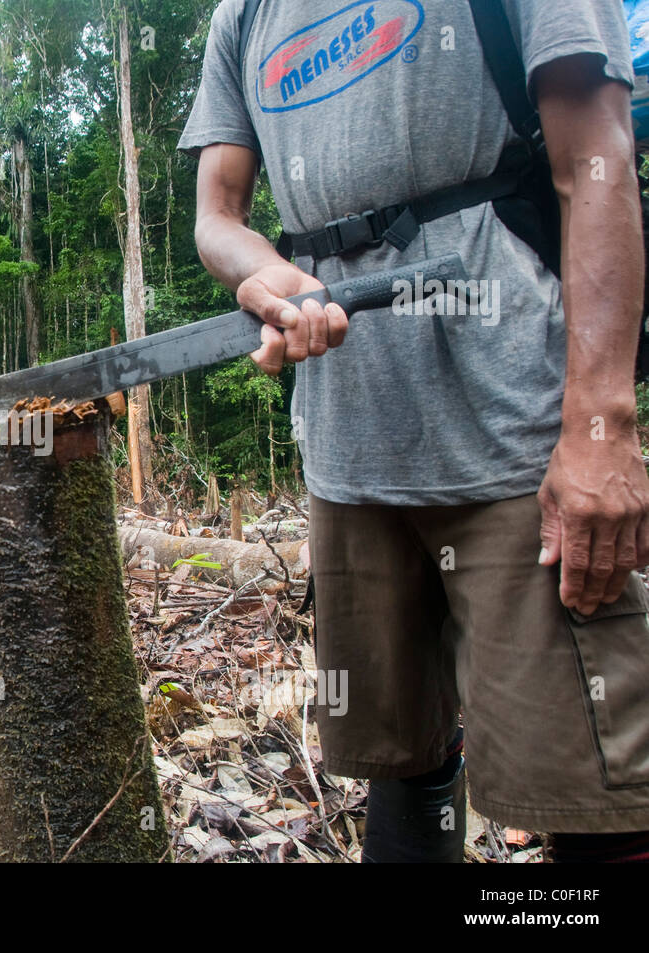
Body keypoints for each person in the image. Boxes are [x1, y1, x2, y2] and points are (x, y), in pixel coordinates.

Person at [183, 1, 649, 862]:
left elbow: (597, 157)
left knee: (592, 786)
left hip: (518, 435)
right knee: (399, 755)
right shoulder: (242, 14)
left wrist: (601, 427)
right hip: (349, 448)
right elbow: (218, 214)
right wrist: (267, 269)